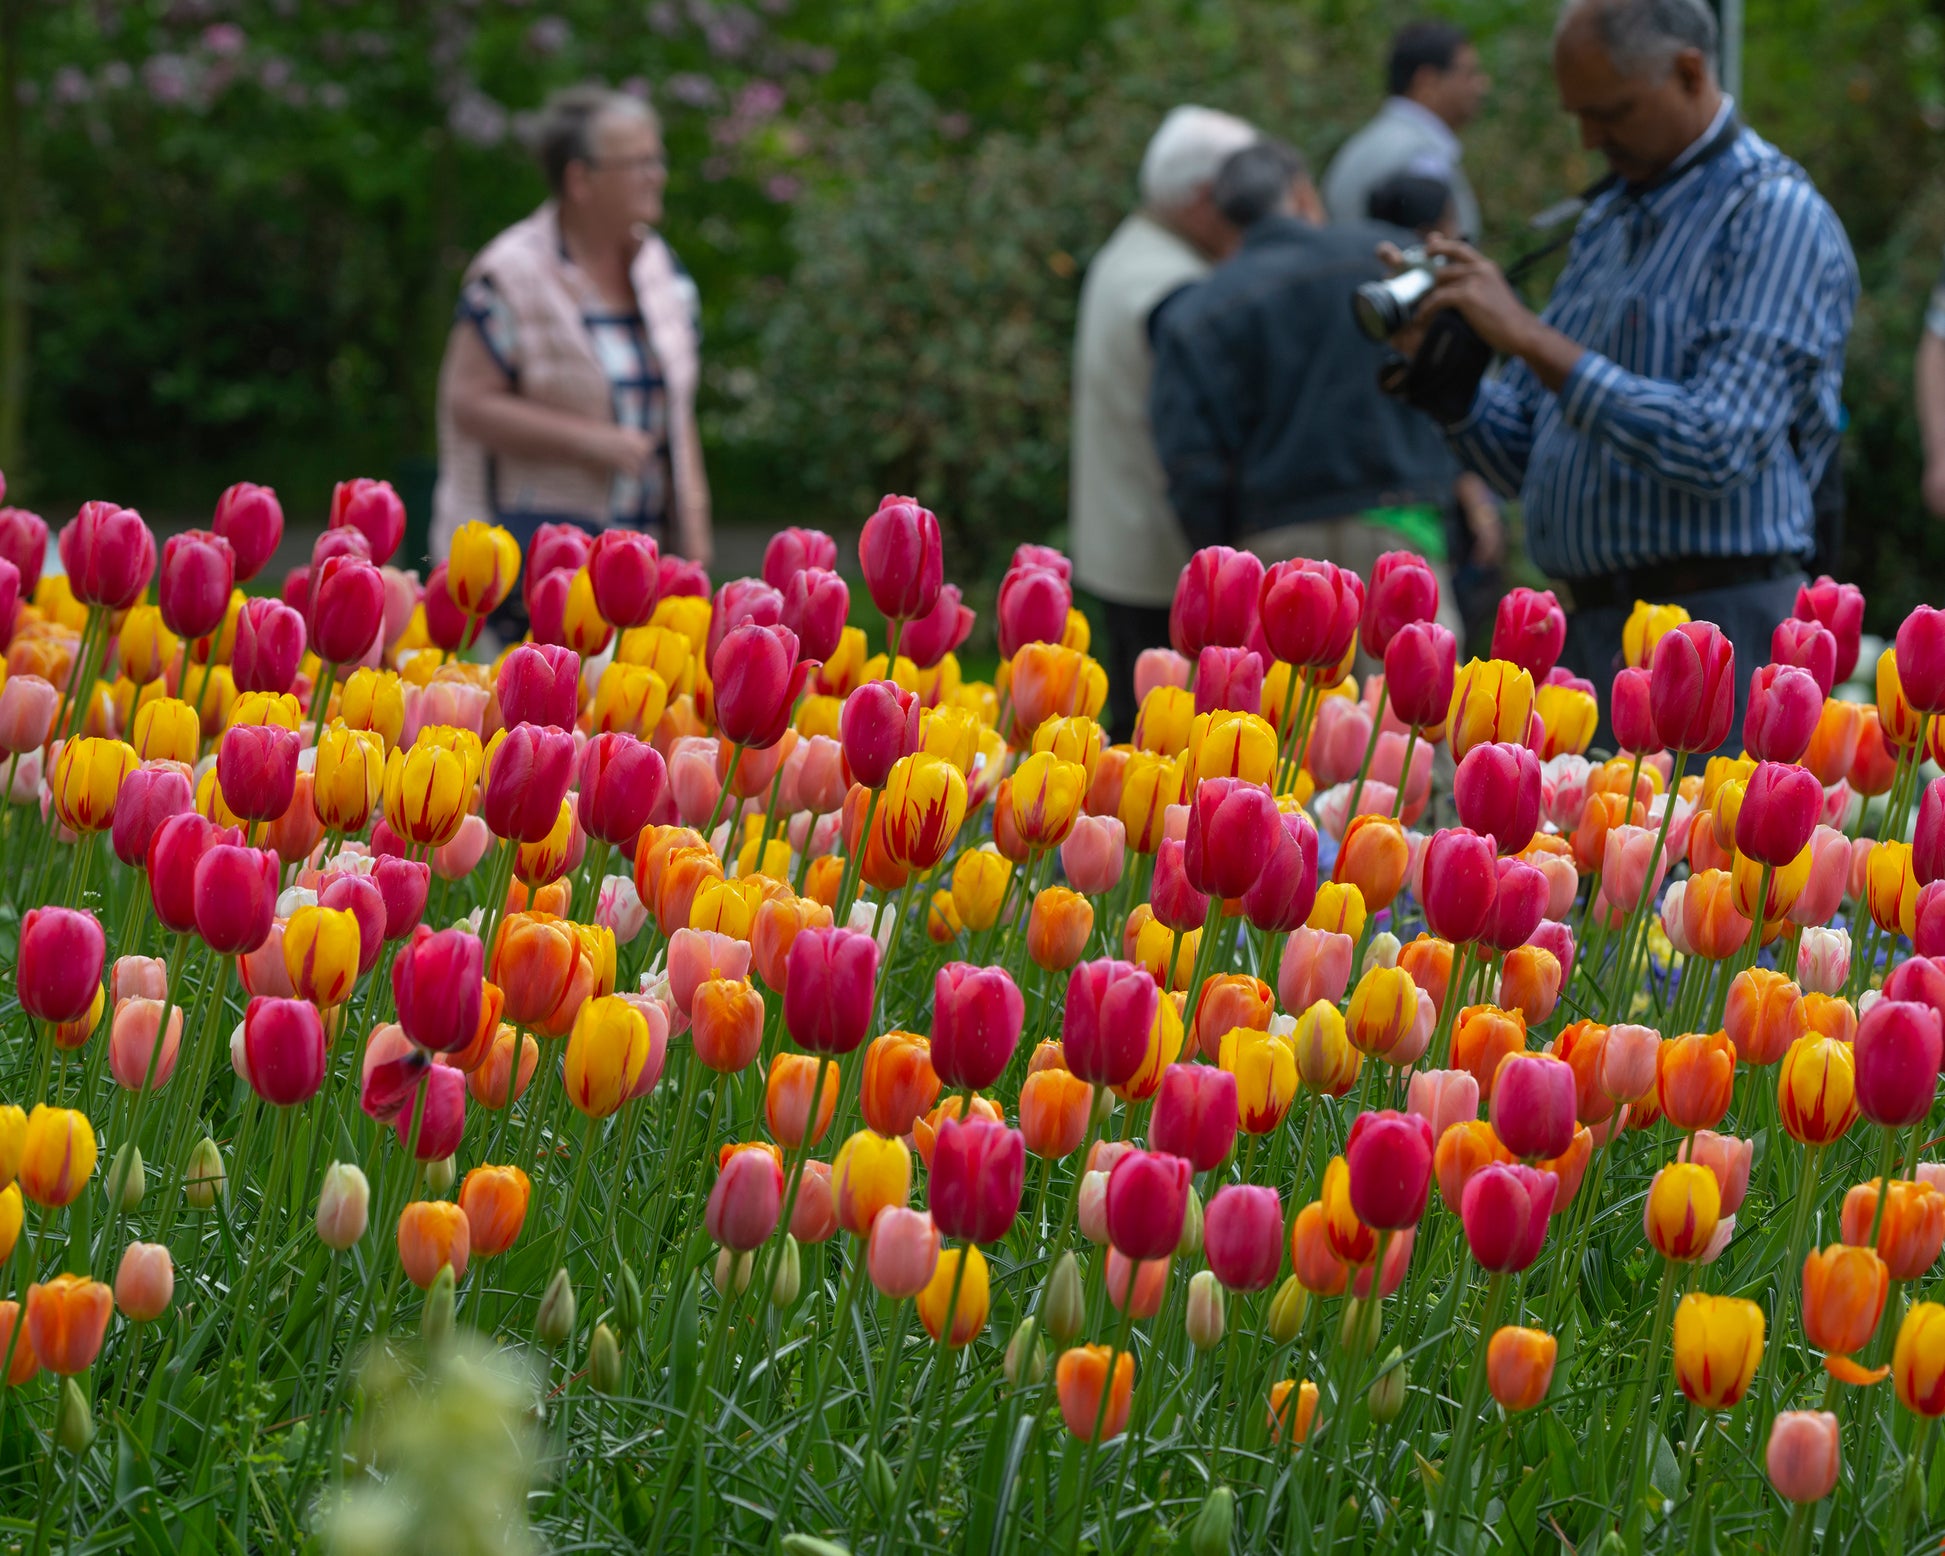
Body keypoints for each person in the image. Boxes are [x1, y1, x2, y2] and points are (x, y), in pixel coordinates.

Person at [1391, 0, 1857, 746]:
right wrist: (1448, 384)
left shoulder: (1771, 215)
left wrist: (1531, 339)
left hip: (1714, 636)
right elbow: (1524, 463)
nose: (1589, 139)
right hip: (1585, 636)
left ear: (1687, 72)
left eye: (1609, 112)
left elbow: (1718, 443)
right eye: (1577, 115)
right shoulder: (1608, 221)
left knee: (1702, 865)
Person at [1147, 141, 1462, 631]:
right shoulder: (1385, 258)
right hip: (1399, 533)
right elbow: (1452, 371)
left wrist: (1224, 549)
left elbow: (1192, 464)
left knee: (1287, 706)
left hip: (1274, 552)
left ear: (1223, 216)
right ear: (1301, 194)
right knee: (1406, 700)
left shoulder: (1196, 315)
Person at [433, 82, 711, 634]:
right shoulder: (510, 274)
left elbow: (678, 418)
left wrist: (696, 550)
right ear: (580, 179)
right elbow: (466, 402)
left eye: (658, 159)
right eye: (639, 162)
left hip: (645, 565)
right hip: (543, 562)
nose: (657, 174)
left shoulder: (662, 271)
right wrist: (590, 440)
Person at [1071, 105, 1258, 742]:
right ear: (1204, 197)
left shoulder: (1135, 249)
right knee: (1162, 750)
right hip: (1167, 560)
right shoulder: (1167, 284)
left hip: (1131, 547)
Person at [1366, 171, 1506, 658]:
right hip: (1418, 515)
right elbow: (1456, 411)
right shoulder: (1435, 299)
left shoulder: (1369, 295)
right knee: (1428, 668)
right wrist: (1481, 503)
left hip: (1359, 505)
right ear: (1436, 233)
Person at [1323, 20, 1490, 242]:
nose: (1482, 85)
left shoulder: (1369, 142)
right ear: (1427, 82)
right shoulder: (1421, 155)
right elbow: (1436, 254)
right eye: (1469, 74)